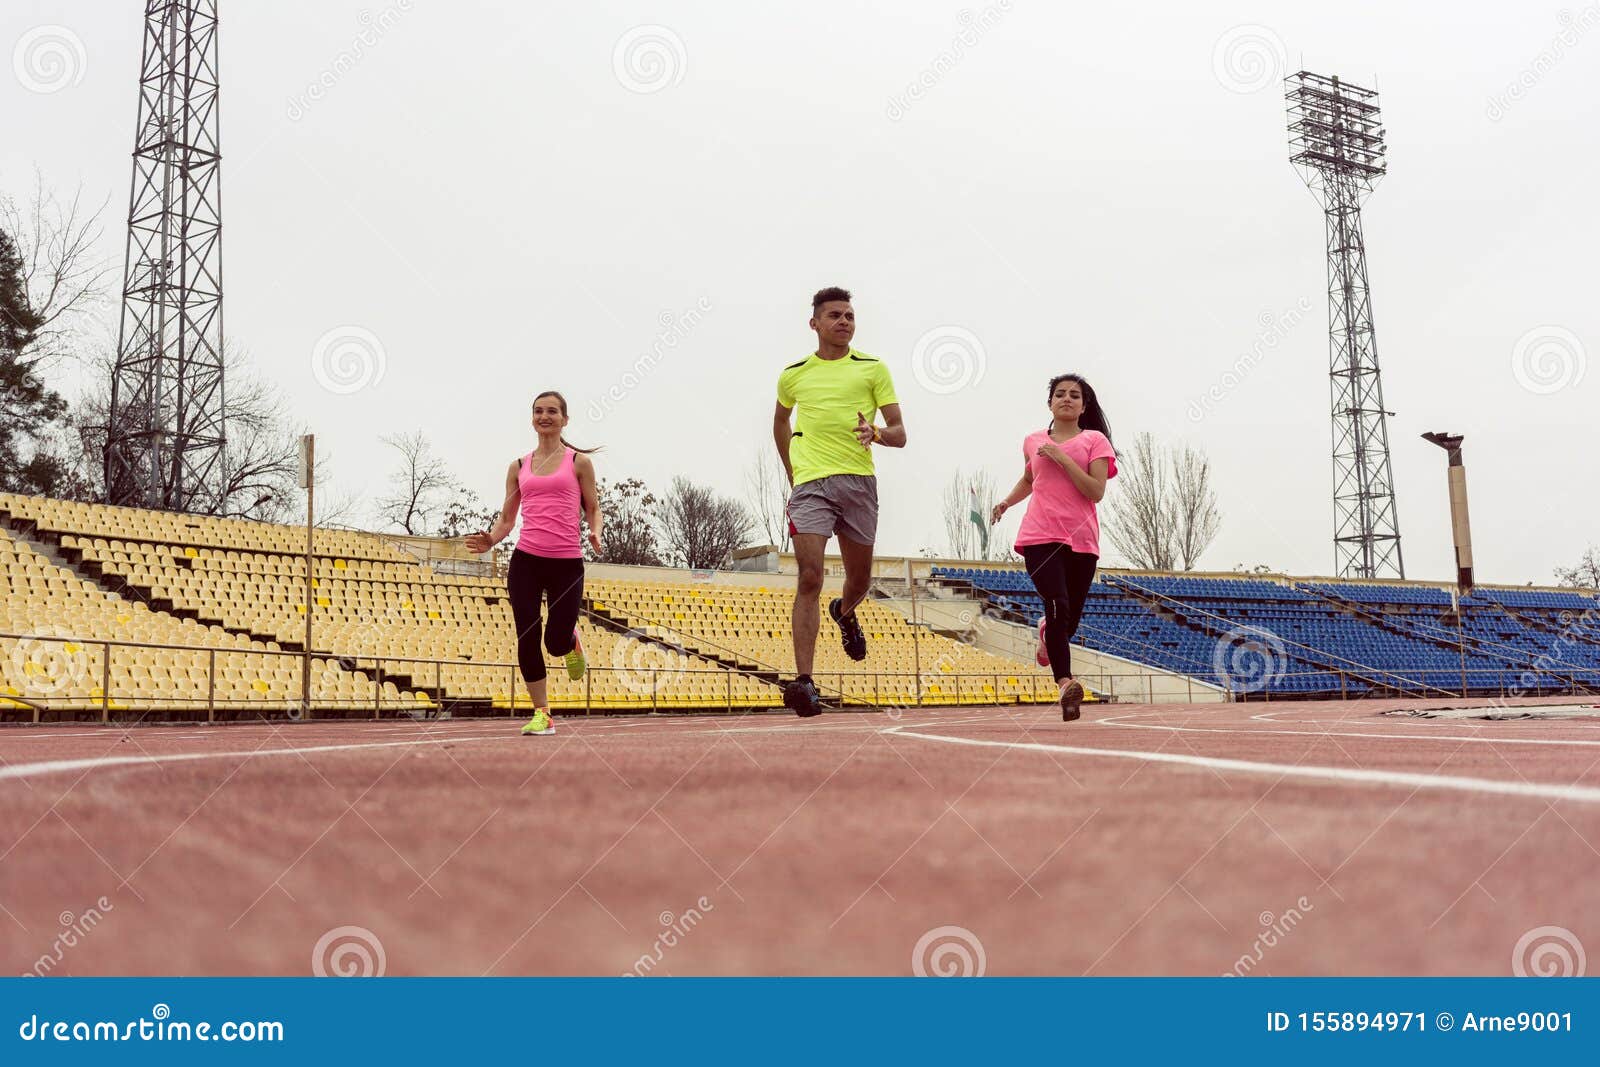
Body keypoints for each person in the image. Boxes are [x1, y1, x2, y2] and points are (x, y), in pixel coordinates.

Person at [773, 286, 906, 716]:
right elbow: (780, 421)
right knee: (809, 577)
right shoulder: (793, 374)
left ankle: (845, 612)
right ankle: (805, 682)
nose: (844, 321)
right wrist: (792, 469)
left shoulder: (873, 368)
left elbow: (900, 433)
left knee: (859, 579)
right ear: (814, 323)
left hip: (858, 483)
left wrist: (877, 433)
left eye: (849, 315)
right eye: (834, 315)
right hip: (811, 484)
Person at [466, 391, 602, 735]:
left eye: (552, 411)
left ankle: (570, 641)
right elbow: (507, 519)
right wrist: (491, 539)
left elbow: (593, 507)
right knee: (527, 635)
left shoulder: (578, 463)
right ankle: (543, 714)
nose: (545, 416)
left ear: (565, 419)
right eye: (539, 411)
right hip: (526, 560)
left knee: (554, 643)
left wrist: (595, 531)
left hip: (566, 563)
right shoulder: (518, 466)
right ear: (532, 419)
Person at [990, 373, 1116, 721]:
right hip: (1039, 536)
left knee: (1067, 620)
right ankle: (1065, 682)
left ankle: (1047, 633)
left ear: (1083, 406)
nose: (1066, 399)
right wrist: (1006, 502)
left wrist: (1062, 458)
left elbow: (1095, 491)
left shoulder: (1095, 441)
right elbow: (1029, 479)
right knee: (1057, 603)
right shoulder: (1033, 441)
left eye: (1074, 395)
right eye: (1060, 394)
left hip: (1082, 540)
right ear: (1050, 403)